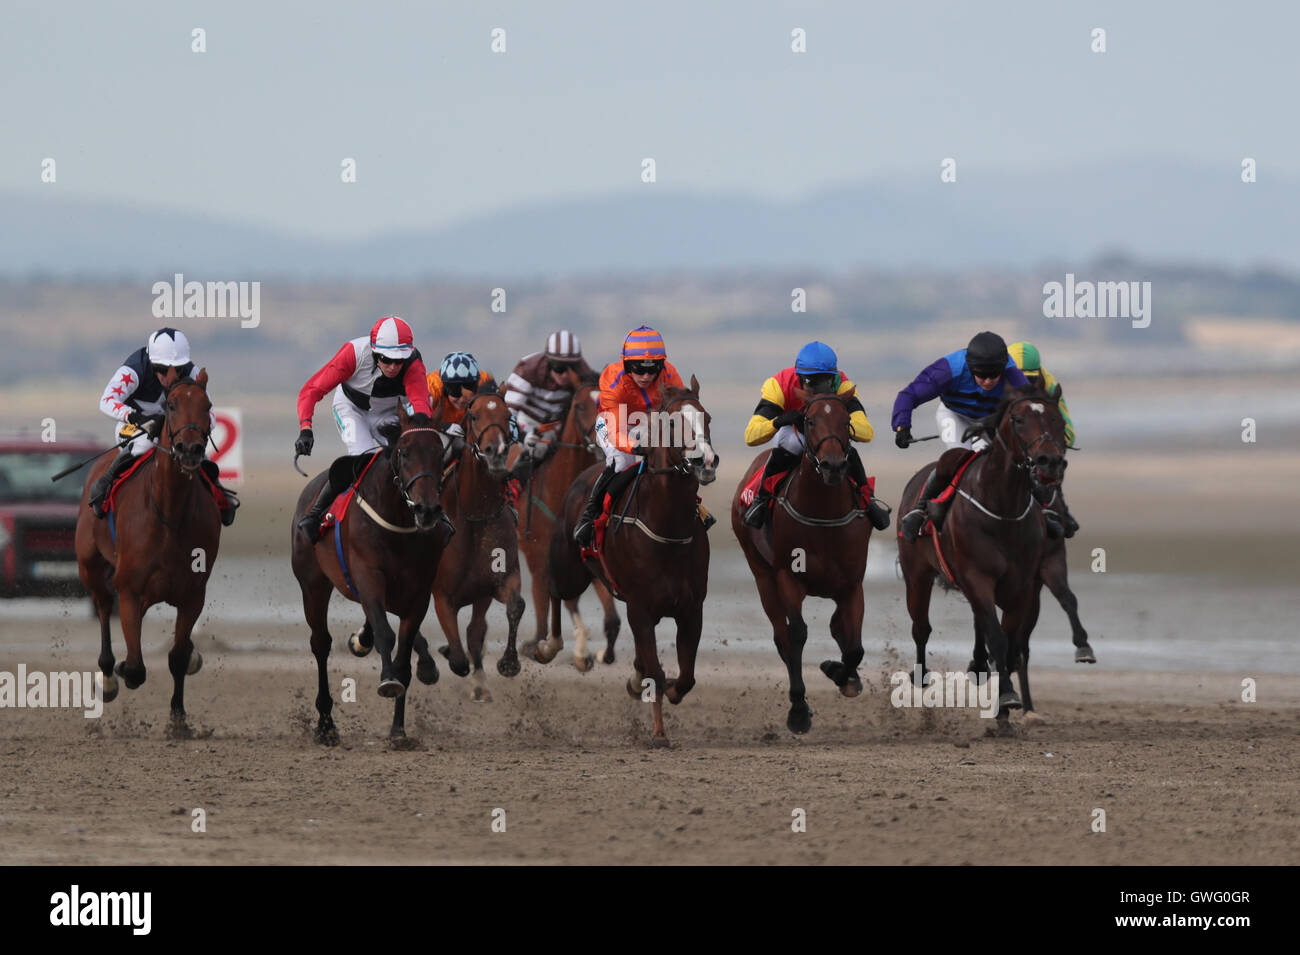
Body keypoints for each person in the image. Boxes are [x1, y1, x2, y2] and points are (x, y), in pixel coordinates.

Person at [293, 316, 437, 542]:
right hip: (352, 410)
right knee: (365, 460)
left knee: (412, 457)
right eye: (386, 359)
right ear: (374, 351)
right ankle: (314, 515)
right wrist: (306, 428)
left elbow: (421, 407)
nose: (392, 367)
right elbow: (311, 390)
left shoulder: (413, 363)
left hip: (389, 415)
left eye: (399, 361)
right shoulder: (353, 353)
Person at [573, 325, 713, 546]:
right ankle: (590, 514)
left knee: (674, 454)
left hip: (647, 420)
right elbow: (616, 432)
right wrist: (638, 448)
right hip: (613, 422)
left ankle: (695, 507)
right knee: (622, 461)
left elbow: (679, 409)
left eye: (652, 369)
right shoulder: (614, 380)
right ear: (627, 365)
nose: (646, 376)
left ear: (661, 365)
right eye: (639, 369)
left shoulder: (669, 373)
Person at [892, 330, 1038, 542]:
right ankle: (919, 509)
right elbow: (909, 394)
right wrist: (901, 425)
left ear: (1003, 368)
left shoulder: (1012, 373)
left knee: (1017, 461)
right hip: (955, 414)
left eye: (994, 376)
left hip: (990, 419)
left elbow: (1030, 406)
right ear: (970, 368)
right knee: (958, 457)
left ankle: (1041, 509)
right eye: (981, 375)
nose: (988, 382)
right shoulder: (949, 369)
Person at [89, 327, 238, 526]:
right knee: (144, 444)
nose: (171, 375)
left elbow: (209, 415)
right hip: (135, 427)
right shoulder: (133, 370)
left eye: (178, 369)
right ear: (152, 365)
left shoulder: (192, 372)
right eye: (162, 369)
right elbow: (106, 401)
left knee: (194, 448)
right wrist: (136, 418)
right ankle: (105, 482)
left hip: (172, 428)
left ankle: (219, 495)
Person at [741, 341, 891, 530]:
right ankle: (762, 500)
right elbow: (751, 435)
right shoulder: (779, 384)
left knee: (845, 448)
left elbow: (866, 433)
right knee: (790, 444)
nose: (820, 387)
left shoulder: (844, 385)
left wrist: (842, 425)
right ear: (800, 377)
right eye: (812, 382)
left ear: (833, 378)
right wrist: (779, 421)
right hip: (795, 431)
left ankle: (868, 500)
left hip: (828, 434)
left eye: (826, 381)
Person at [502, 330, 596, 478]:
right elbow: (507, 413)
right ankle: (514, 489)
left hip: (556, 424)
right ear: (549, 362)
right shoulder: (527, 370)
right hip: (527, 420)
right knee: (537, 448)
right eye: (559, 367)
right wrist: (522, 435)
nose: (566, 375)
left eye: (571, 368)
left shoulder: (583, 372)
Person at [1010, 341, 1079, 537]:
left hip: (1031, 443)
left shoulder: (1049, 384)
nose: (1024, 385)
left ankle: (1058, 507)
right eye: (1017, 378)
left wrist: (1049, 445)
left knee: (1050, 458)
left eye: (1030, 379)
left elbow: (1069, 433)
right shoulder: (994, 380)